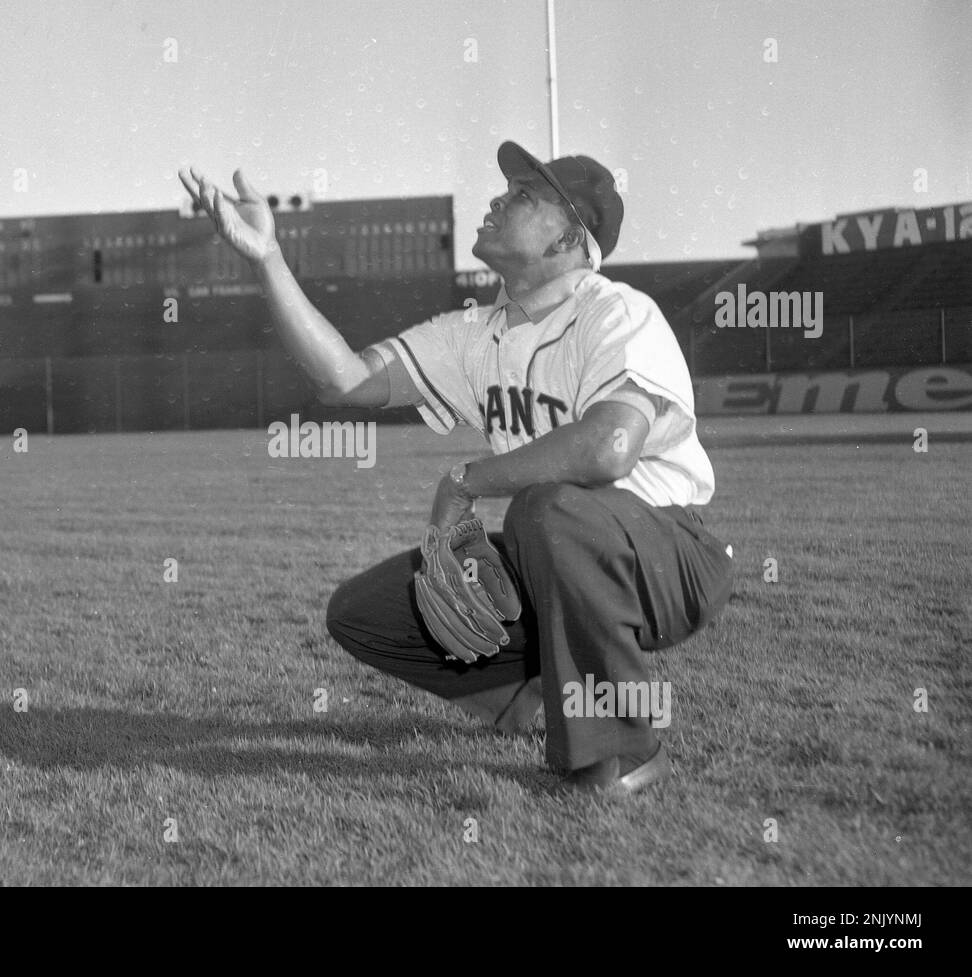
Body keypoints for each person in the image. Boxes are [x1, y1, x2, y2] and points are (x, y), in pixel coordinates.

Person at [178, 142, 733, 795]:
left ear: (570, 242)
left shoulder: (617, 313)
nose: (498, 199)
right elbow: (346, 378)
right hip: (556, 553)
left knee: (545, 506)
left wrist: (466, 479)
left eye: (524, 196)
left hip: (667, 559)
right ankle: (522, 699)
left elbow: (608, 446)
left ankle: (623, 749)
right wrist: (268, 259)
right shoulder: (476, 335)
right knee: (366, 610)